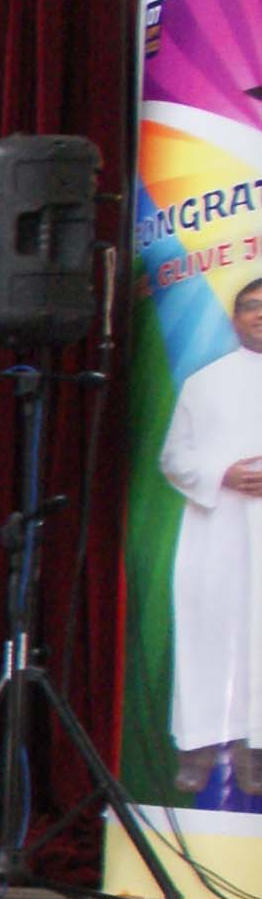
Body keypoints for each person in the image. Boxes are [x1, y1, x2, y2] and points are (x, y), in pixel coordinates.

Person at [159, 277, 262, 800]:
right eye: (251, 307)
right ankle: (203, 751)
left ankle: (256, 754)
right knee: (213, 634)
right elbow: (174, 458)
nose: (261, 315)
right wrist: (223, 474)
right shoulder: (204, 383)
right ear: (233, 319)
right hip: (217, 532)